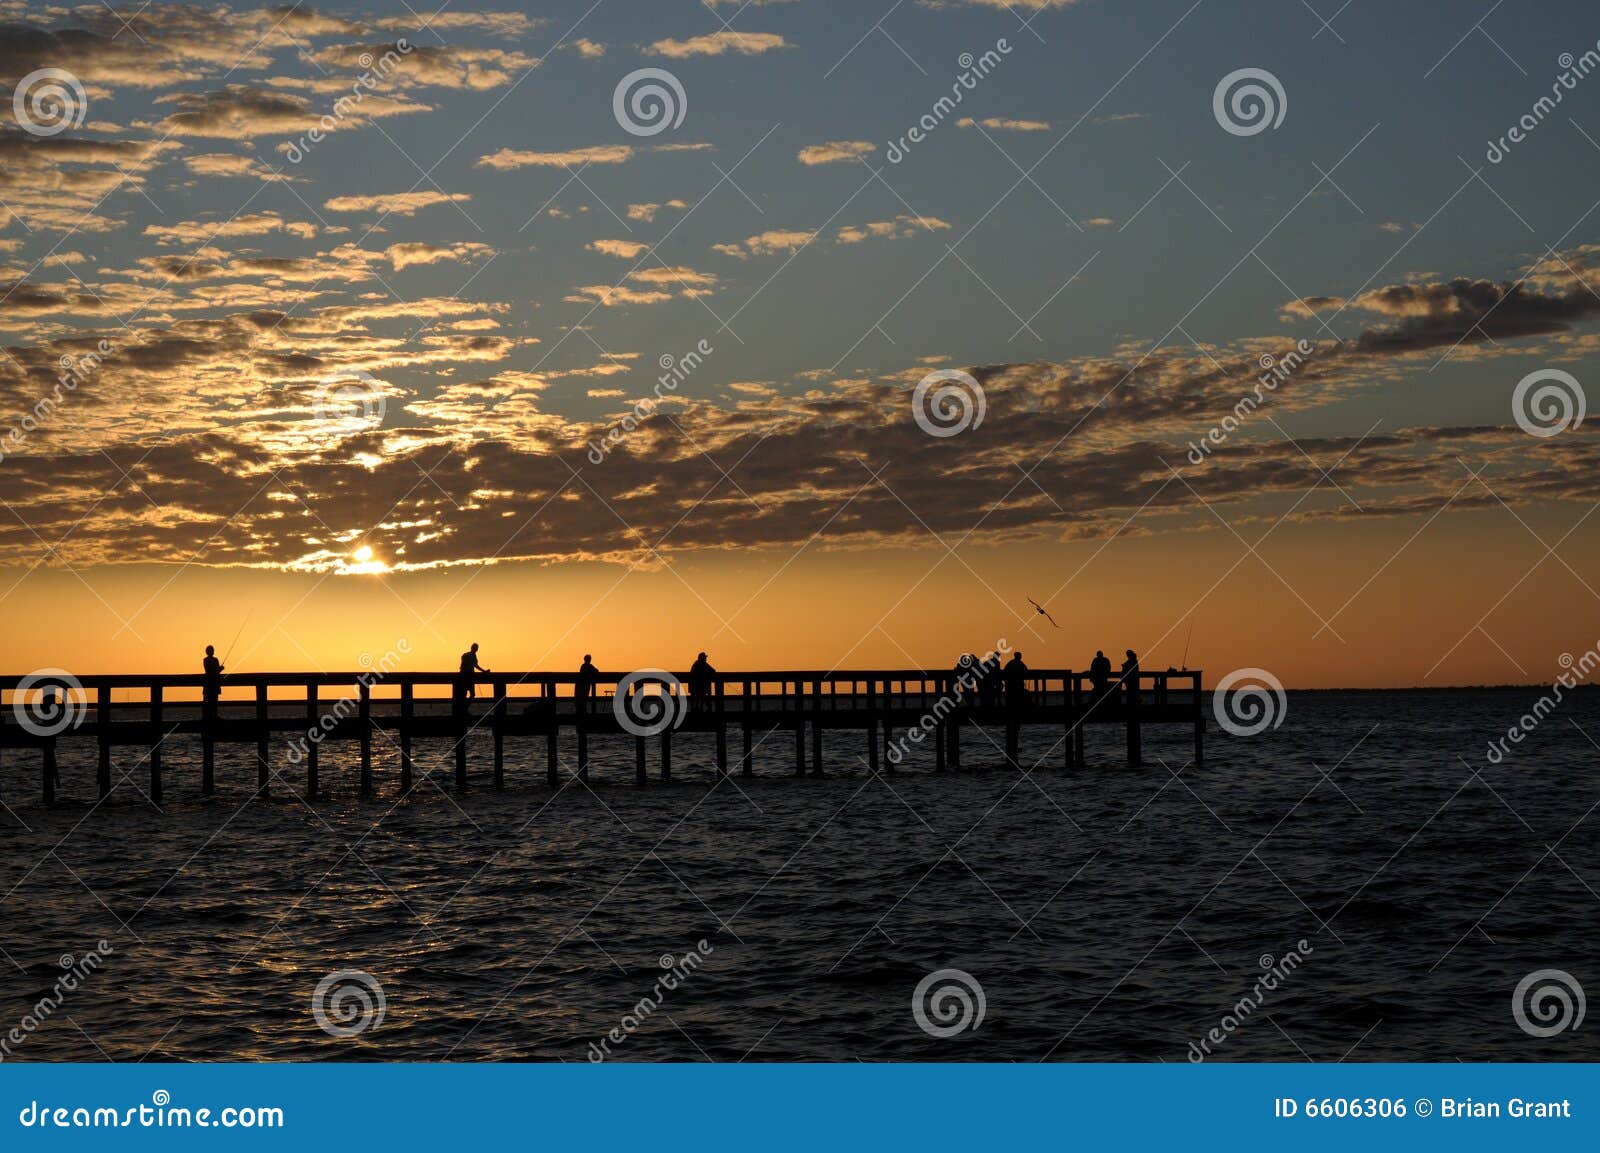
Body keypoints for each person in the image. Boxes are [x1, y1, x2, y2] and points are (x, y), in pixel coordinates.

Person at [202, 644, 224, 718]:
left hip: (208, 683)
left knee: (210, 700)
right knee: (213, 700)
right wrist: (221, 669)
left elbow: (211, 670)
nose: (212, 651)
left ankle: (209, 715)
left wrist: (219, 669)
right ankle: (213, 715)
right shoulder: (214, 660)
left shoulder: (205, 660)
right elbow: (214, 671)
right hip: (213, 683)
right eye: (212, 650)